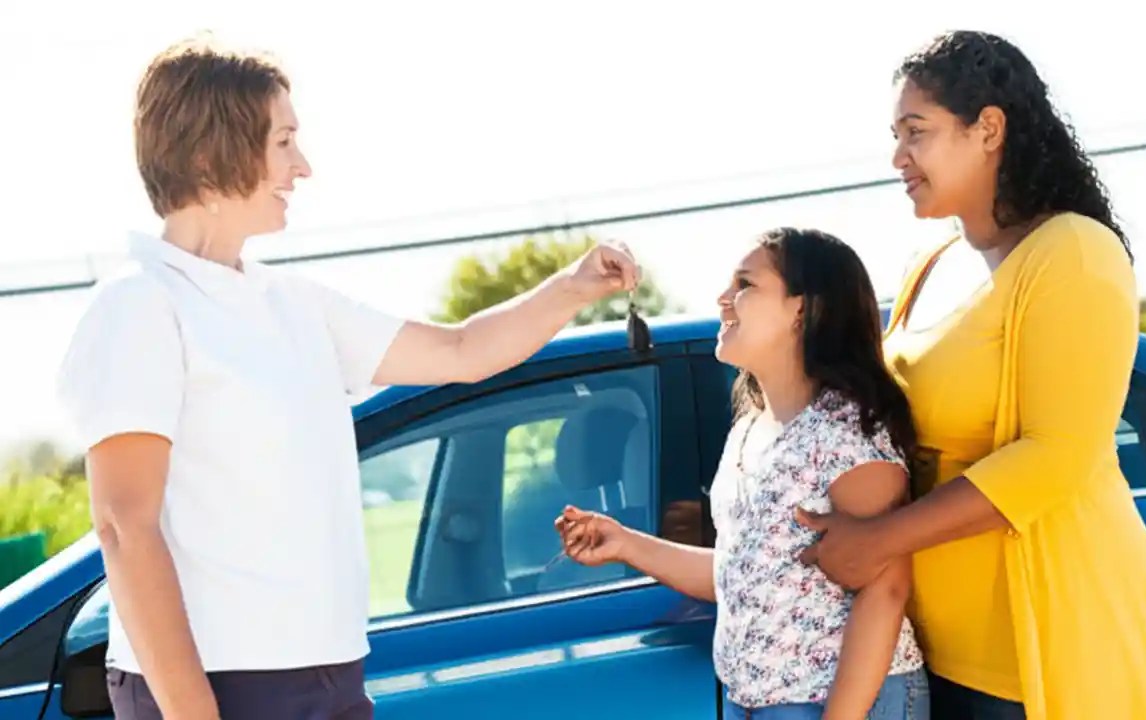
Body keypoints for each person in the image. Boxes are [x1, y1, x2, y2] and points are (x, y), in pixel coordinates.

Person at [55, 36, 638, 720]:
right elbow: (124, 525)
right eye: (283, 141)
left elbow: (459, 352)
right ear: (211, 157)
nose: (302, 166)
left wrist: (571, 287)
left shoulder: (292, 303)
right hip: (216, 686)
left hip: (326, 672)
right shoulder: (141, 304)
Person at [795, 31, 1146, 720]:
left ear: (988, 129)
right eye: (896, 136)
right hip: (937, 645)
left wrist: (877, 541)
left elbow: (1056, 456)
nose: (897, 157)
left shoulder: (1073, 251)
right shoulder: (931, 264)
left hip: (1049, 637)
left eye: (916, 132)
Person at [556, 228, 929, 720]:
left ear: (803, 309)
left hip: (846, 705)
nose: (722, 299)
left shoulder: (848, 431)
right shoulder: (749, 429)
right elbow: (743, 575)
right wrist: (625, 543)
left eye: (745, 285)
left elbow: (886, 591)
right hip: (754, 704)